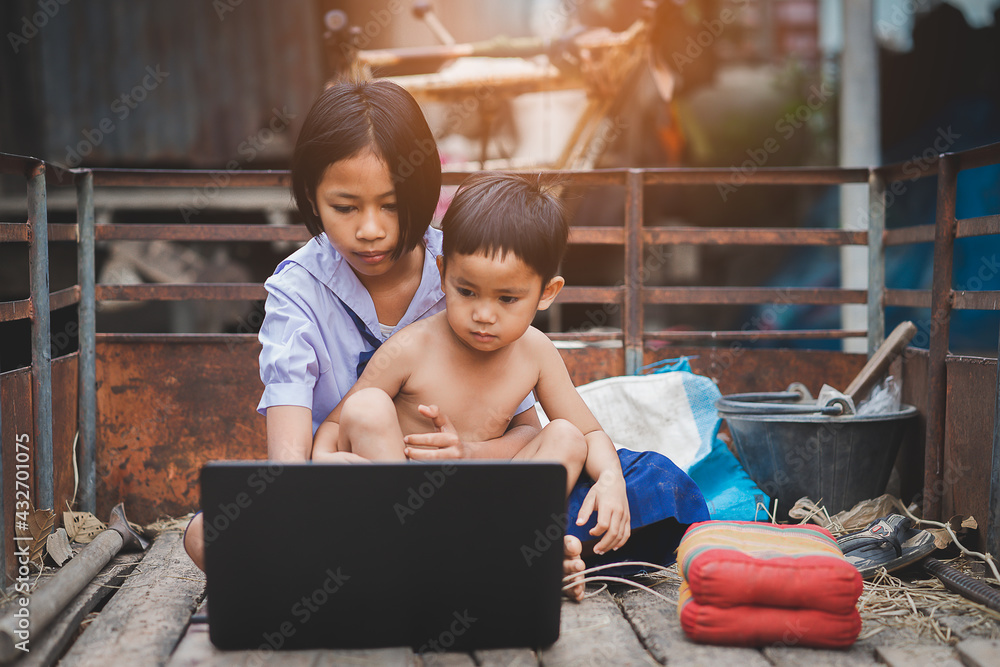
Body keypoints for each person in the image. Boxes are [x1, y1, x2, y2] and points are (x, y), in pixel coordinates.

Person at [182, 77, 559, 577]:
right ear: (312, 198)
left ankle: (377, 571)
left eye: (391, 204)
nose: (370, 229)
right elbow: (290, 456)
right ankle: (391, 568)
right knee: (203, 534)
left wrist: (466, 454)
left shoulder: (466, 272)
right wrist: (301, 497)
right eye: (345, 207)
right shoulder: (299, 291)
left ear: (423, 192)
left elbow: (524, 427)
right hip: (341, 493)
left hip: (456, 498)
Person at [313, 171, 710, 576]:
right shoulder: (411, 348)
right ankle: (420, 553)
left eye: (507, 298)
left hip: (486, 505)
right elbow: (335, 422)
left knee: (566, 437)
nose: (483, 315)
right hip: (406, 500)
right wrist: (325, 462)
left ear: (547, 293)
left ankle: (510, 548)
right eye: (466, 292)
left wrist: (611, 479)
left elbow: (588, 433)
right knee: (365, 406)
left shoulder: (536, 353)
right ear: (443, 271)